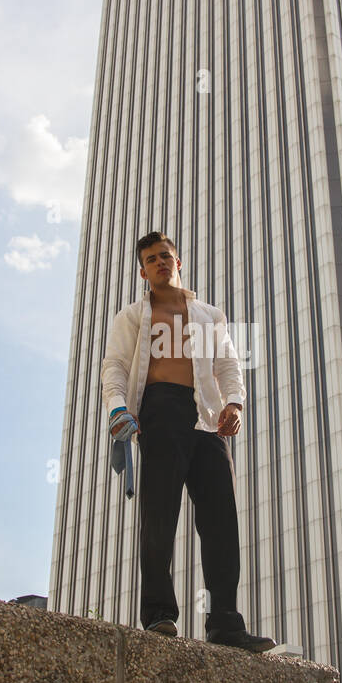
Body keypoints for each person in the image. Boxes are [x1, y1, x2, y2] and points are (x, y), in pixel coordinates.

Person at [101, 231, 275, 654]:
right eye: (151, 259)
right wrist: (117, 408)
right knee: (159, 514)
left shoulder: (209, 314)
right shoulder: (134, 315)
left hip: (207, 418)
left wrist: (234, 403)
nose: (160, 263)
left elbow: (227, 363)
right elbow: (116, 365)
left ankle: (225, 623)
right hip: (160, 411)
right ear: (143, 272)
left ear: (178, 262)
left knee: (221, 522)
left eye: (166, 256)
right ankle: (159, 613)